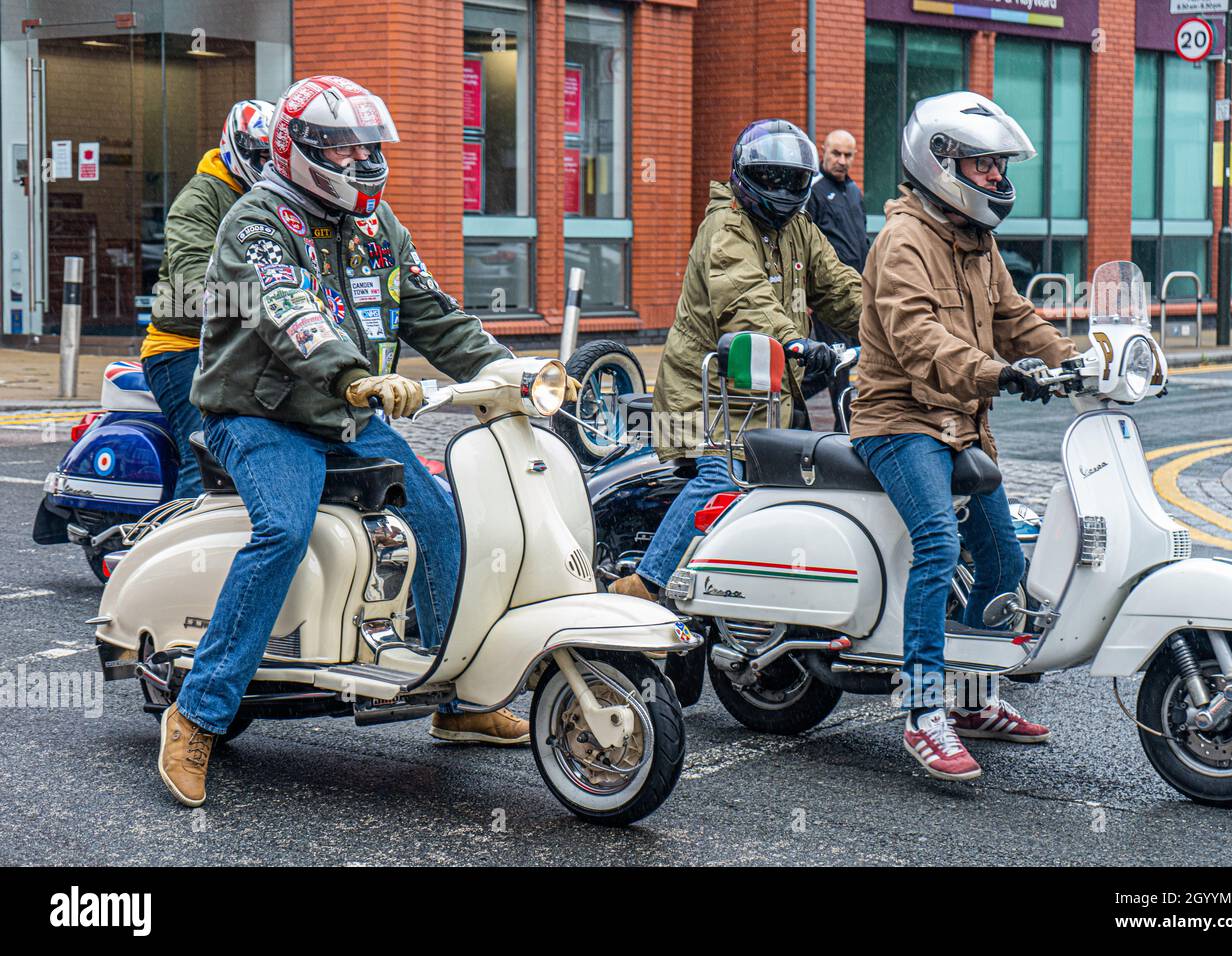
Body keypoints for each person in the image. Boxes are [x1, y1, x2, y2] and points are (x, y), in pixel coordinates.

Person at [157, 75, 528, 809]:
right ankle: (197, 713)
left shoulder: (375, 223)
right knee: (283, 530)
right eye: (346, 148)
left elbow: (433, 313)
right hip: (257, 414)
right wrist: (355, 377)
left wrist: (511, 370)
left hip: (346, 414)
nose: (363, 161)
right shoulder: (255, 223)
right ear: (300, 151)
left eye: (369, 148)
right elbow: (288, 313)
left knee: (444, 518)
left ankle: (460, 697)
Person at [849, 91, 1078, 782]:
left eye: (1000, 167)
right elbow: (918, 341)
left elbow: (1016, 316)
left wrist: (1082, 360)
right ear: (940, 162)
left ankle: (973, 698)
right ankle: (923, 712)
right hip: (898, 420)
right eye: (986, 167)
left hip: (961, 422)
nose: (998, 181)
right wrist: (1001, 374)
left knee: (1006, 563)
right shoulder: (902, 242)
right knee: (939, 543)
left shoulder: (978, 241)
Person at [610, 119, 862, 602]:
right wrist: (797, 343)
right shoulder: (725, 229)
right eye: (771, 177)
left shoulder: (798, 230)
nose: (782, 189)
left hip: (765, 396)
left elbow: (842, 289)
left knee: (802, 478)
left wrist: (899, 322)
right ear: (746, 175)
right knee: (722, 477)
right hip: (703, 399)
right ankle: (646, 583)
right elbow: (746, 299)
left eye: (792, 179)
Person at [141, 99, 274, 499]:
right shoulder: (199, 200)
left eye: (275, 156)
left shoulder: (276, 200)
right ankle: (176, 556)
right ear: (236, 148)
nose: (267, 165)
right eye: (260, 155)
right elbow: (191, 281)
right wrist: (270, 306)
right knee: (207, 456)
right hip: (183, 347)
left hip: (245, 346)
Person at [803, 129, 869, 399]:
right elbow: (804, 243)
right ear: (823, 152)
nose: (842, 160)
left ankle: (793, 398)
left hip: (856, 290)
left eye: (848, 155)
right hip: (828, 294)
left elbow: (861, 239)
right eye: (836, 153)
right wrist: (806, 294)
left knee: (840, 361)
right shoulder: (814, 191)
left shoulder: (854, 192)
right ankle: (845, 429)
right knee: (838, 361)